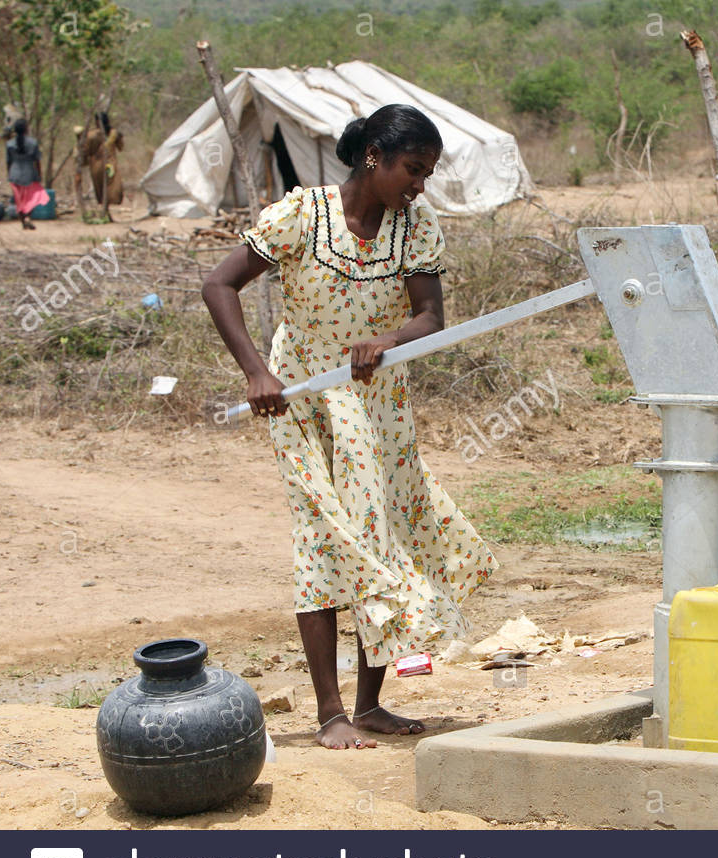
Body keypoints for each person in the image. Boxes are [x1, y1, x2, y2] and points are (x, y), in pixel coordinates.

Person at [202, 103, 499, 750]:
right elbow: (219, 285)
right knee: (323, 536)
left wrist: (386, 338)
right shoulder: (302, 215)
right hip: (304, 398)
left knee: (383, 533)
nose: (419, 185)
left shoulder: (414, 225)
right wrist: (257, 373)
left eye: (426, 173)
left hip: (378, 400)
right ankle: (329, 712)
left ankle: (369, 704)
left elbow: (429, 317)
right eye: (413, 170)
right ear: (374, 157)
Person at [6, 119, 49, 230]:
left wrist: (9, 174)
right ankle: (27, 217)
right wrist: (39, 173)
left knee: (19, 199)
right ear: (26, 129)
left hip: (14, 172)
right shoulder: (33, 143)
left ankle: (23, 220)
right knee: (31, 198)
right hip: (29, 172)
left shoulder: (9, 144)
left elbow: (8, 161)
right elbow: (37, 160)